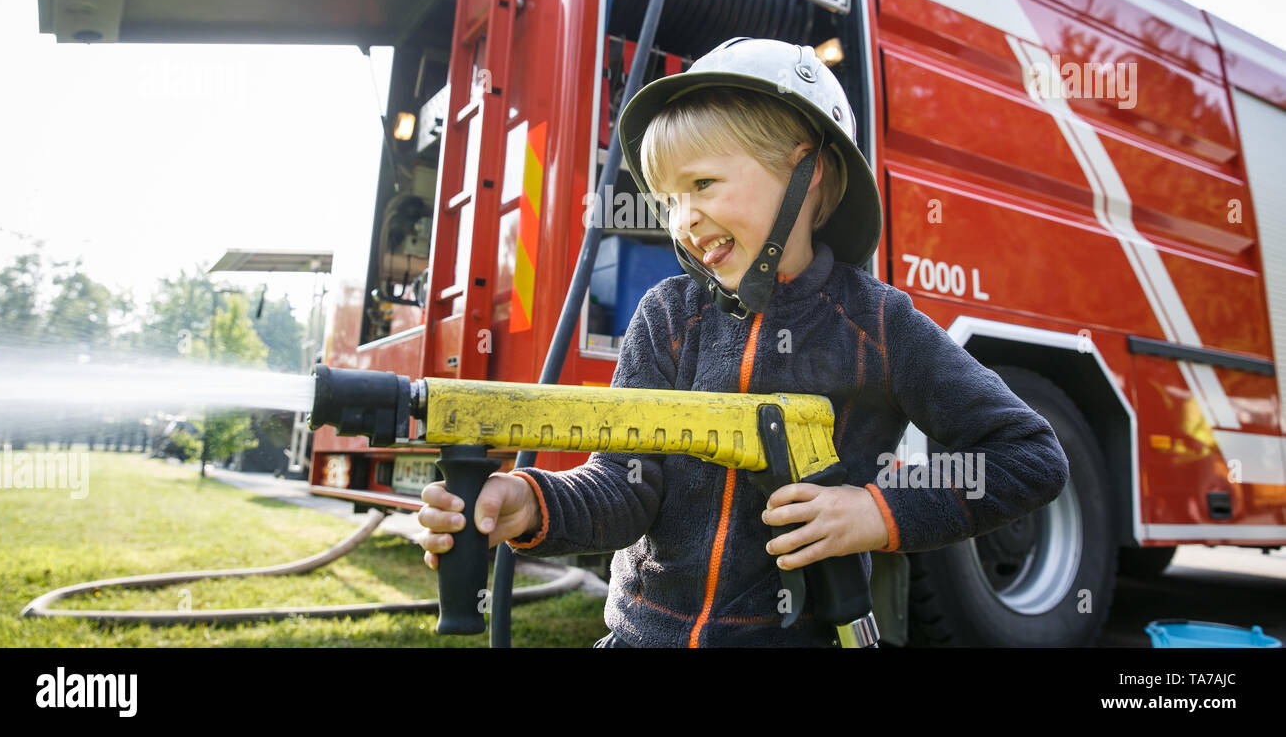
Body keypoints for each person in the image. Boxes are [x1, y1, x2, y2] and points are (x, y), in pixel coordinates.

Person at [417, 37, 1070, 647]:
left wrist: (875, 512)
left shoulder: (878, 324)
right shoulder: (666, 318)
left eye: (702, 185)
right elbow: (623, 489)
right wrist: (530, 503)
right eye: (670, 199)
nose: (684, 220)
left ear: (807, 170)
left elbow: (1029, 457)